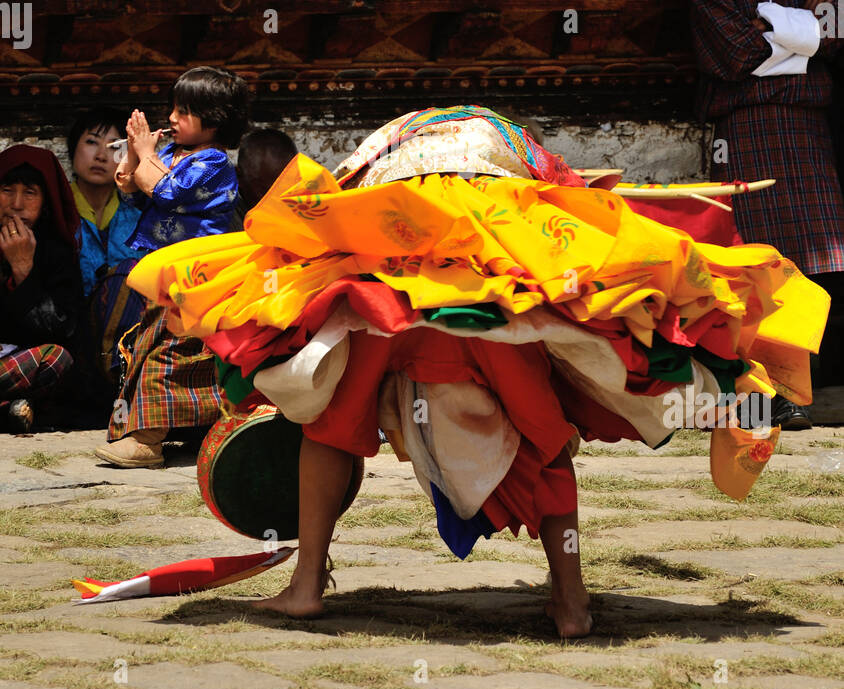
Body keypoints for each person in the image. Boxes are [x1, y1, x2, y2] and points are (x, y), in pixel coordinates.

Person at [125, 106, 826, 639]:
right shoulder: (500, 168)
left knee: (332, 426)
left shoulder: (371, 173)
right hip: (493, 301)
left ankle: (308, 584)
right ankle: (571, 596)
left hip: (389, 297)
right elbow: (567, 199)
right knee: (544, 436)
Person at [687, 0, 844, 430]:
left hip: (804, 130)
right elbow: (731, 56)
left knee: (810, 267)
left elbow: (838, 26)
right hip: (746, 130)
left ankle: (797, 390)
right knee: (756, 266)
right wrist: (803, 41)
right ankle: (763, 393)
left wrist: (773, 31)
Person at [94, 67, 248, 468]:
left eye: (185, 111)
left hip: (198, 278)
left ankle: (148, 440)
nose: (173, 118)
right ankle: (153, 433)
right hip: (166, 275)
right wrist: (133, 148)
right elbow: (129, 183)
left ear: (213, 120)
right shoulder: (169, 154)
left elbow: (165, 190)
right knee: (146, 346)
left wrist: (146, 153)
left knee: (172, 353)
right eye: (173, 109)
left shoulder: (213, 163)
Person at [0, 144, 84, 433]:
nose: (17, 204)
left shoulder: (57, 253)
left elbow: (61, 330)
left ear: (45, 201)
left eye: (30, 193)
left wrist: (23, 269)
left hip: (22, 364)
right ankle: (9, 410)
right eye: (7, 190)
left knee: (58, 359)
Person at [67, 109, 146, 405]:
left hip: (126, 342)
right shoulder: (55, 213)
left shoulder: (141, 219)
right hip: (71, 337)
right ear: (73, 148)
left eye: (115, 146)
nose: (101, 155)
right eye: (91, 142)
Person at [235, 127, 297, 222]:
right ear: (239, 177)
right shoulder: (221, 220)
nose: (276, 201)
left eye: (285, 191)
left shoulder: (303, 207)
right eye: (264, 191)